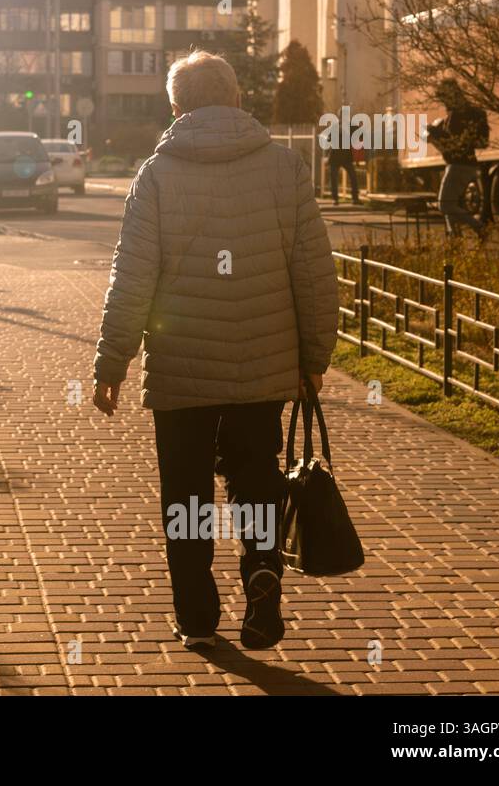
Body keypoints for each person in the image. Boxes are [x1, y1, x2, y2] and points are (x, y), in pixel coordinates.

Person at [91, 50, 339, 651]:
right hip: (262, 368)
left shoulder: (156, 174)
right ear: (236, 100)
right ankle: (261, 573)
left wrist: (112, 360)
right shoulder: (285, 168)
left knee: (186, 492)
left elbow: (133, 277)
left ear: (175, 107)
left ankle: (198, 614)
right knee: (257, 477)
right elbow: (314, 272)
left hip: (180, 373)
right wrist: (313, 358)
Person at [426, 78, 488, 237]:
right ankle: (455, 238)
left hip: (458, 165)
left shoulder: (455, 115)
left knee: (444, 205)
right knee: (451, 204)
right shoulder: (474, 113)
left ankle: (479, 227)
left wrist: (435, 133)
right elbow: (481, 142)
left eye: (443, 98)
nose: (443, 103)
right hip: (468, 164)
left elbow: (451, 144)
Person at [328, 136, 361, 206]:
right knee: (335, 178)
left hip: (343, 157)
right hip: (337, 156)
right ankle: (336, 199)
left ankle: (354, 198)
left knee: (353, 176)